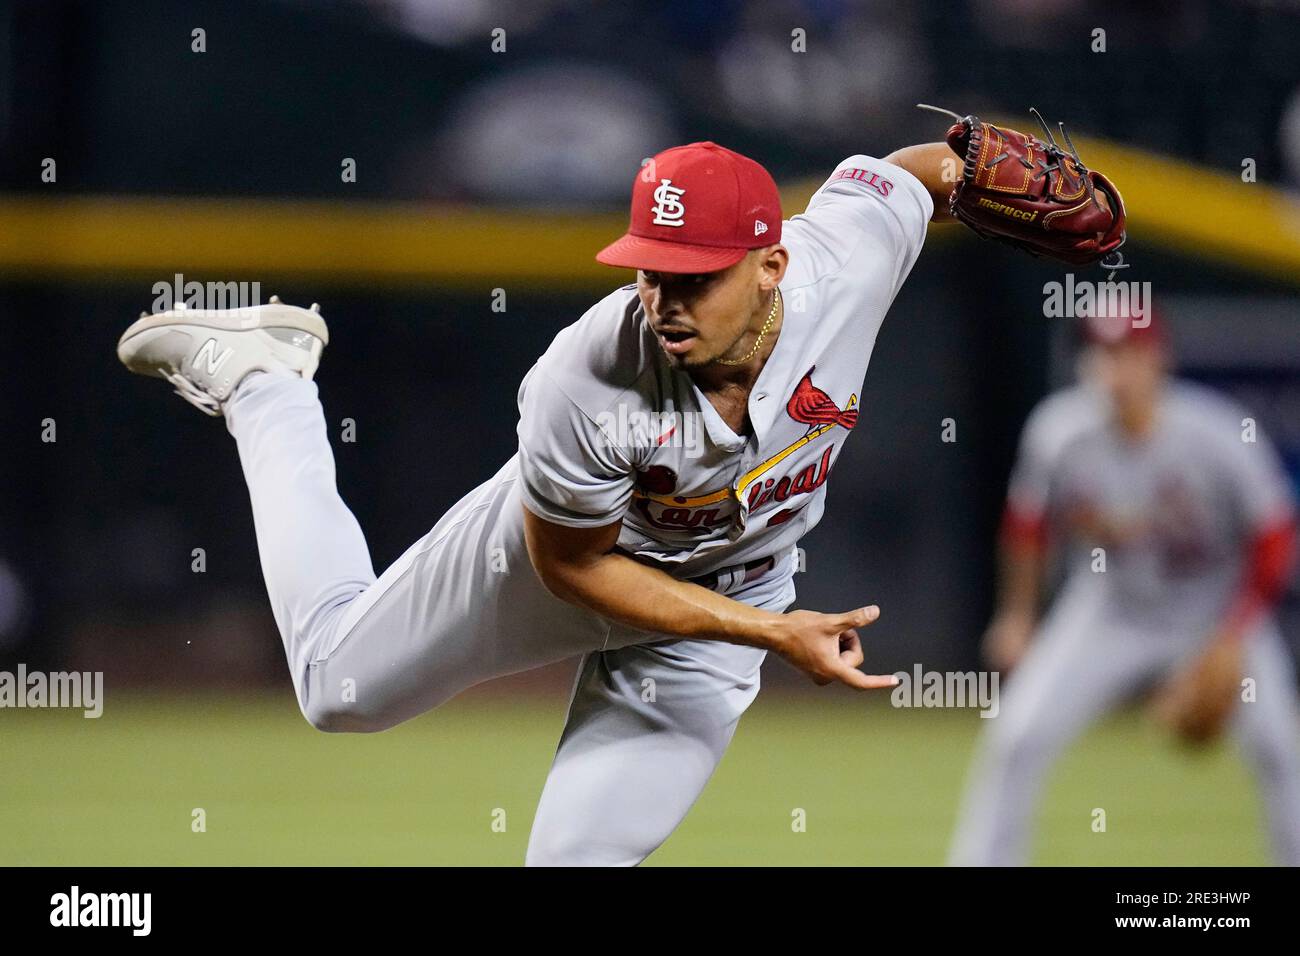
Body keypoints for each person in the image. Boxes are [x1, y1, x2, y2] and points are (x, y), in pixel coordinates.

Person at [117, 125, 1116, 865]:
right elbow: (574, 564)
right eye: (650, 272)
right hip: (561, 564)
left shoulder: (843, 259)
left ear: (772, 264)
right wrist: (775, 636)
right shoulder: (582, 379)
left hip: (713, 616)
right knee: (336, 687)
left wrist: (966, 156)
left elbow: (914, 175)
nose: (664, 301)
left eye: (694, 276)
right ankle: (270, 384)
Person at [949, 307, 1300, 865]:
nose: (1115, 370)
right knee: (1017, 737)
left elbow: (1276, 534)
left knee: (1281, 750)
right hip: (1112, 608)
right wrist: (1017, 615)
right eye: (1103, 355)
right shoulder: (1060, 431)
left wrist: (1237, 631)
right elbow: (1027, 525)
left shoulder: (1216, 432)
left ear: (1158, 360)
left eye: (1130, 355)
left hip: (1216, 611)